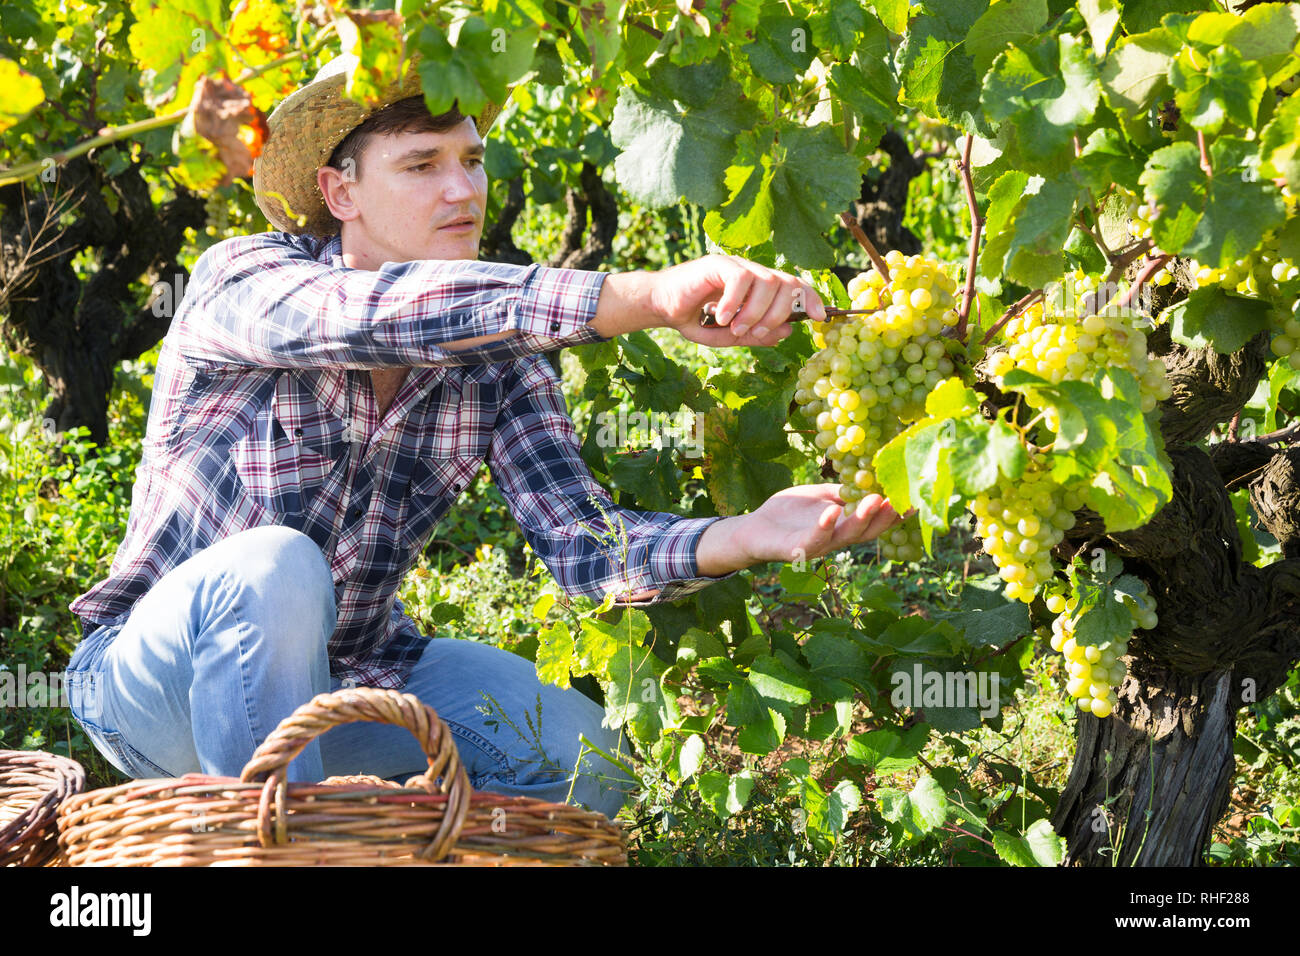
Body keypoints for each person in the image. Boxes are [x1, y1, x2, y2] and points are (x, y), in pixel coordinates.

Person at [65, 54, 901, 821]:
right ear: (340, 192)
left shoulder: (499, 364)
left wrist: (745, 535)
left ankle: (346, 831)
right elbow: (376, 316)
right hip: (155, 688)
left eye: (470, 160)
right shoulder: (242, 282)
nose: (463, 190)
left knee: (590, 759)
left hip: (352, 681)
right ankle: (281, 844)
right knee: (274, 564)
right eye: (422, 166)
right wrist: (646, 295)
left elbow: (586, 546)